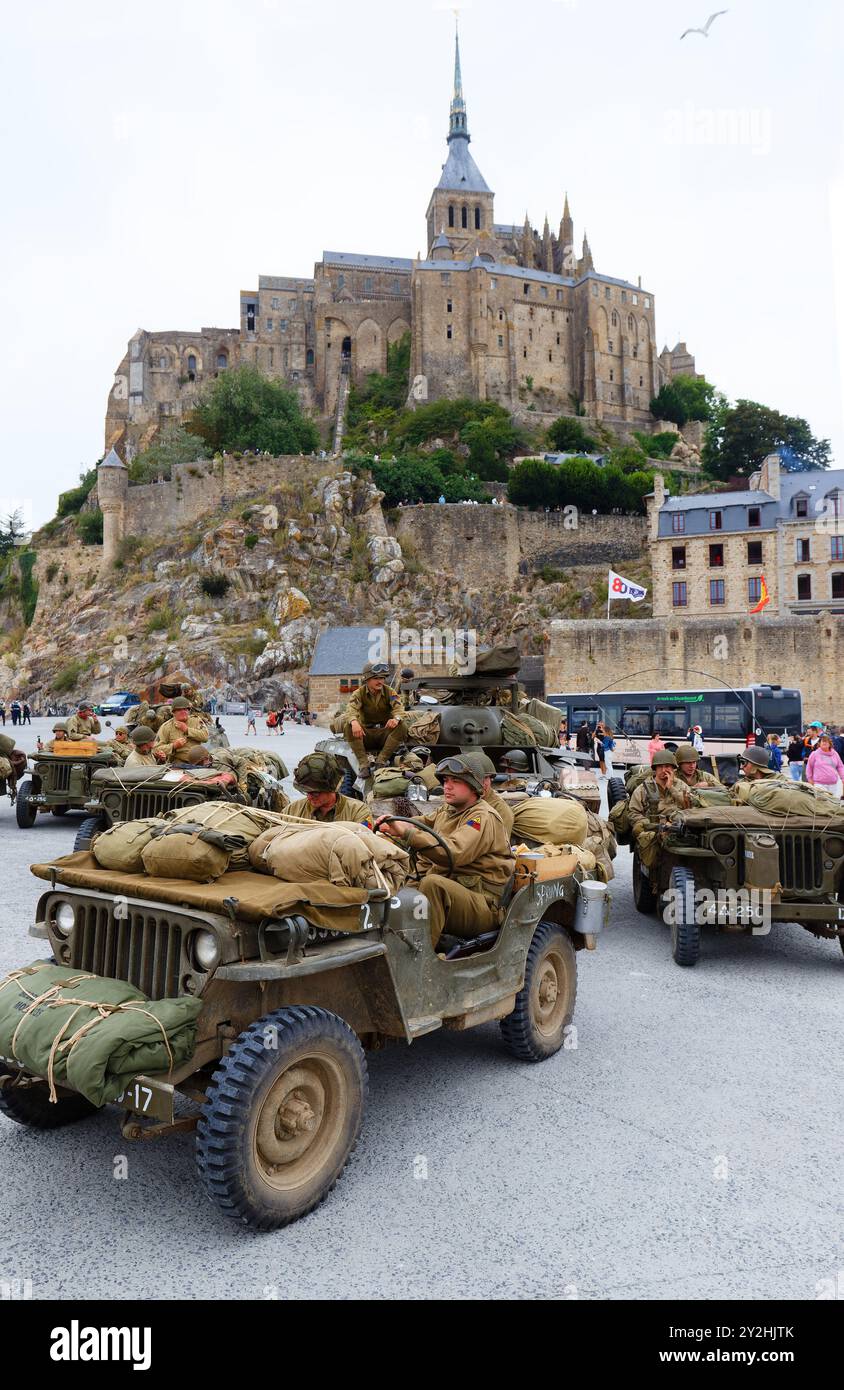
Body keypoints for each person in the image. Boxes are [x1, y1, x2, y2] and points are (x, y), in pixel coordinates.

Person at [377, 754, 513, 948]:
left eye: (456, 781)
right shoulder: (449, 810)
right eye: (446, 780)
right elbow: (422, 823)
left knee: (433, 885)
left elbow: (454, 852)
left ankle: (422, 958)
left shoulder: (482, 817)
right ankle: (391, 946)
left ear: (473, 785)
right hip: (456, 892)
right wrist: (394, 824)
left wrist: (408, 835)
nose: (447, 786)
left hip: (482, 903)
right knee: (398, 891)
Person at [628, 749, 693, 871]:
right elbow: (633, 812)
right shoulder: (643, 789)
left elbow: (691, 807)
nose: (664, 770)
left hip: (678, 827)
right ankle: (652, 875)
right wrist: (650, 825)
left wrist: (671, 788)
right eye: (660, 767)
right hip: (654, 827)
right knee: (649, 839)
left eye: (668, 766)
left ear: (673, 768)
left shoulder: (682, 787)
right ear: (655, 769)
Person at [342, 661, 408, 779]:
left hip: (385, 733)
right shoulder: (359, 693)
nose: (380, 681)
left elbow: (399, 708)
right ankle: (363, 764)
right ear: (367, 679)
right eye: (376, 678)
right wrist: (354, 722)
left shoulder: (390, 692)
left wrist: (396, 719)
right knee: (348, 726)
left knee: (402, 726)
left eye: (382, 678)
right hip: (365, 734)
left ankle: (381, 761)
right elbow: (351, 709)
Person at [285, 752, 372, 825]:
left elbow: (365, 840)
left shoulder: (357, 811)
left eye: (315, 793)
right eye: (306, 792)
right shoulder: (292, 811)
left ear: (332, 788)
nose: (309, 797)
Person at [461, 749, 515, 838]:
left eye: (485, 778)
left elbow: (499, 846)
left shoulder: (500, 810)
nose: (481, 783)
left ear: (491, 779)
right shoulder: (456, 802)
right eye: (475, 778)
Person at [153, 697, 210, 765]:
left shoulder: (196, 720)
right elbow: (156, 749)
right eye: (179, 710)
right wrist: (173, 746)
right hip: (179, 763)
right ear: (173, 712)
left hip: (199, 761)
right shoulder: (166, 727)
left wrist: (187, 730)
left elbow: (205, 737)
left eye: (185, 709)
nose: (183, 712)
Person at [805, 734, 844, 798]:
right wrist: (810, 779)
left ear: (830, 744)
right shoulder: (814, 754)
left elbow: (840, 766)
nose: (824, 743)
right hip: (819, 784)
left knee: (832, 803)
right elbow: (809, 767)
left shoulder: (835, 754)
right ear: (819, 743)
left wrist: (843, 777)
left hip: (833, 783)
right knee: (822, 804)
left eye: (826, 741)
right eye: (822, 741)